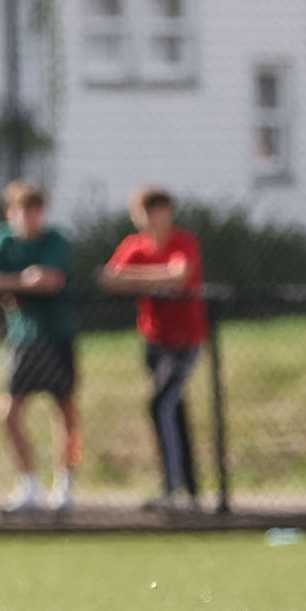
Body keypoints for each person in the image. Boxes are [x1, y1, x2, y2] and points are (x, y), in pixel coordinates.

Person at [0, 182, 80, 513]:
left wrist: (10, 283)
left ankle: (65, 486)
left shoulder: (54, 240)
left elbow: (51, 281)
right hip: (22, 340)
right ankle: (29, 485)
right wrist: (21, 282)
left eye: (34, 211)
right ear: (10, 212)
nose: (28, 218)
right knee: (8, 415)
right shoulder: (2, 238)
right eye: (21, 210)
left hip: (57, 336)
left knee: (66, 414)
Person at [99, 187, 208, 511]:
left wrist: (137, 279)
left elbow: (180, 274)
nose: (151, 219)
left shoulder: (182, 242)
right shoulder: (135, 246)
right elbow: (109, 277)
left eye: (157, 211)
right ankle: (187, 490)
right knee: (171, 409)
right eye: (145, 212)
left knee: (162, 406)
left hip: (186, 341)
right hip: (156, 341)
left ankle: (176, 489)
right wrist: (154, 280)